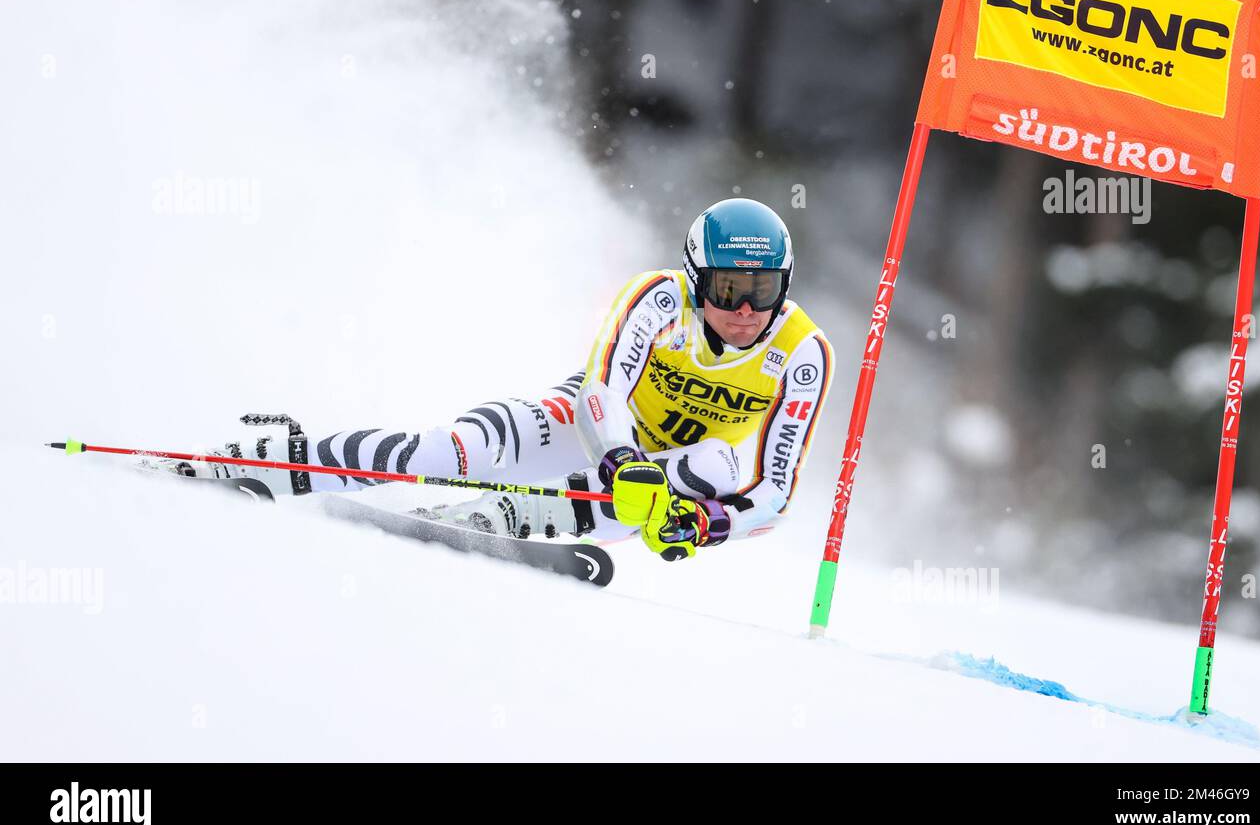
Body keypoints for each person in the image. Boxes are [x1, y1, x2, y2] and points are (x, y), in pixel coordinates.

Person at [181, 198, 834, 560]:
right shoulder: (657, 299)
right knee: (444, 452)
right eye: (728, 288)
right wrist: (622, 458)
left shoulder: (803, 353)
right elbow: (600, 393)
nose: (747, 310)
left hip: (656, 484)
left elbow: (774, 492)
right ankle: (260, 462)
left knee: (718, 464)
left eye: (764, 289)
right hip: (593, 431)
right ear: (696, 279)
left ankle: (499, 519)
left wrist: (707, 524)